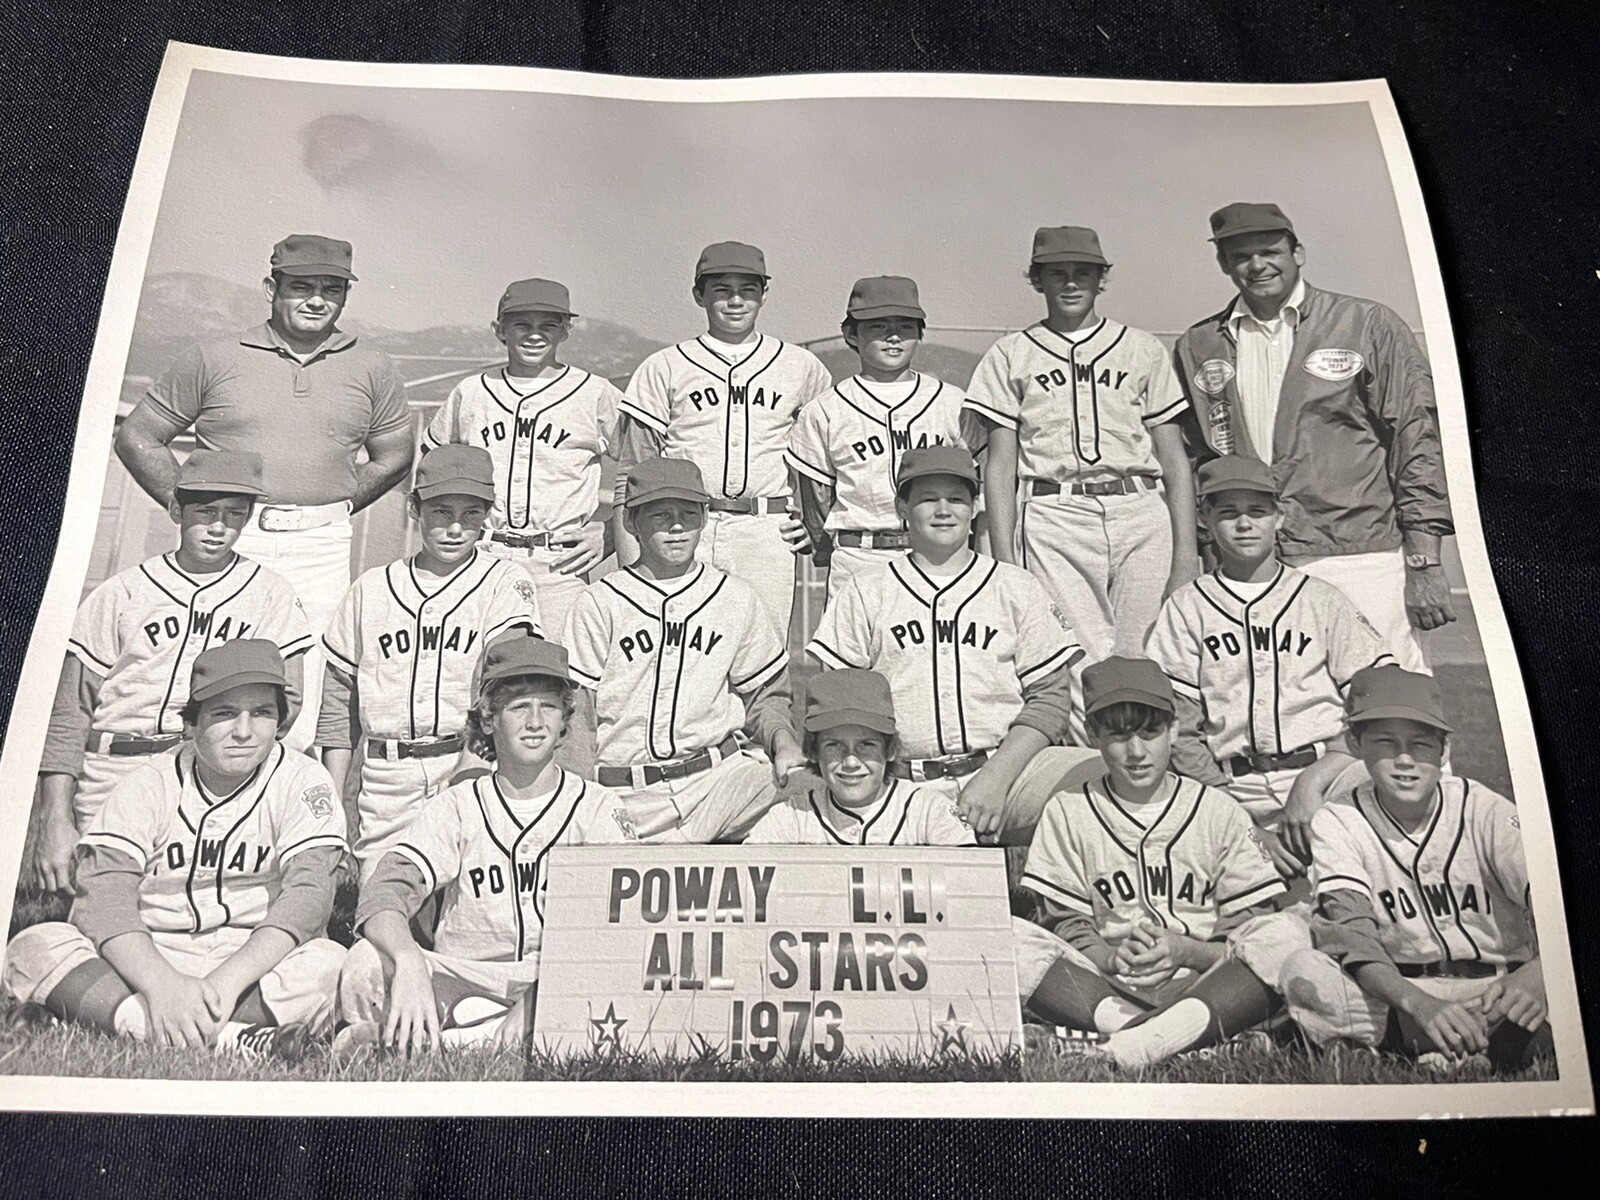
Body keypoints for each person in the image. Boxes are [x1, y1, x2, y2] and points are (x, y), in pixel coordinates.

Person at [114, 235, 415, 748]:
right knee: (208, 669)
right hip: (231, 536)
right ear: (271, 288)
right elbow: (138, 437)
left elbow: (394, 456)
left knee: (304, 685)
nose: (316, 300)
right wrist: (190, 506)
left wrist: (335, 503)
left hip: (320, 547)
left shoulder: (373, 366)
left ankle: (279, 793)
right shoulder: (212, 357)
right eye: (301, 287)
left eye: (332, 289)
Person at [2, 641, 347, 1063]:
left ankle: (123, 1020)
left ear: (279, 721)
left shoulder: (303, 780)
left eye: (261, 712)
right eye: (224, 713)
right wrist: (162, 985)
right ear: (191, 722)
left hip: (253, 961)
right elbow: (103, 899)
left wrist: (223, 984)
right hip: (151, 952)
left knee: (331, 964)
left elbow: (308, 901)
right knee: (33, 946)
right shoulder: (149, 782)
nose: (244, 731)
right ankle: (235, 1037)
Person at [1174, 202, 1456, 673]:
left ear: (1298, 253)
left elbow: (1417, 442)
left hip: (1360, 554)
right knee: (1283, 703)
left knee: (1388, 696)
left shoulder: (1366, 323)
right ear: (1224, 264)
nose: (1257, 265)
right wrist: (1211, 553)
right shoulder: (1199, 343)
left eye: (1270, 252)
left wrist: (1424, 562)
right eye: (1241, 256)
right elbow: (1199, 458)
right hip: (1255, 561)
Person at [334, 631, 629, 1059]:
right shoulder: (457, 805)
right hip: (467, 977)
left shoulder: (598, 807)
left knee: (613, 976)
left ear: (566, 717)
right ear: (489, 718)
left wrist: (540, 994)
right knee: (366, 962)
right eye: (519, 706)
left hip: (557, 976)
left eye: (548, 706)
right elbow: (384, 892)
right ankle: (497, 1034)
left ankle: (453, 1041)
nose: (535, 722)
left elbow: (621, 927)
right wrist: (409, 958)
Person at [31, 450, 312, 893]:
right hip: (113, 769)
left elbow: (286, 701)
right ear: (176, 510)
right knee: (102, 908)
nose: (219, 527)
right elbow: (70, 713)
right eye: (206, 511)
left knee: (189, 912)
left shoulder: (270, 594)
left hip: (207, 775)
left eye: (234, 514)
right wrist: (54, 818)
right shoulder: (122, 593)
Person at [1015, 656, 1304, 1069]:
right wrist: (1110, 957)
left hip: (1207, 985)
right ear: (1093, 734)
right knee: (1007, 937)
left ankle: (1130, 1044)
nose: (1136, 752)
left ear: (1173, 730)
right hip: (1107, 988)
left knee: (1288, 931)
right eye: (1118, 735)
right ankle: (1180, 1038)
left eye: (1150, 732)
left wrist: (1186, 952)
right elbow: (1066, 923)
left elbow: (1246, 927)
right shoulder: (1068, 809)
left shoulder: (1218, 809)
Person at [805, 445, 1100, 845]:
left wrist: (996, 778)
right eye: (928, 499)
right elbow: (840, 705)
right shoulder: (867, 591)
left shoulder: (1016, 587)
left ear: (975, 506)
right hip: (902, 785)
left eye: (957, 499)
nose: (944, 510)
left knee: (1102, 775)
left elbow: (1050, 701)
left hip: (1007, 773)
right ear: (902, 508)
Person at [1275, 666, 1549, 1070]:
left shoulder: (1483, 808)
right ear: (1356, 743)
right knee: (1304, 973)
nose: (1404, 760)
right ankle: (1489, 1048)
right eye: (1385, 742)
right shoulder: (1339, 819)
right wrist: (1418, 1003)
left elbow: (1555, 894)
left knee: (1567, 987)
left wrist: (1541, 972)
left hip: (1499, 987)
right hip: (1402, 993)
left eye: (1420, 744)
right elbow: (1351, 934)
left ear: (1443, 750)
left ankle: (1423, 1047)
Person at [1144, 454, 1394, 878]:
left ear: (1280, 517)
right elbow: (1179, 730)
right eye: (1228, 512)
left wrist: (1312, 781)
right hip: (1229, 786)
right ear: (1205, 519)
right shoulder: (1186, 608)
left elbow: (1382, 698)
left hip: (1324, 774)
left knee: (1381, 810)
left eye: (1258, 511)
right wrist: (1233, 817)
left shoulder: (1322, 599)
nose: (1244, 524)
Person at [964, 226, 1197, 662]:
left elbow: (1174, 459)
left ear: (1101, 279)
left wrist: (1186, 555)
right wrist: (1005, 560)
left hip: (1140, 510)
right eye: (1057, 273)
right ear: (1037, 280)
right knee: (1074, 656)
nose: (1070, 284)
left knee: (1146, 654)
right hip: (1055, 513)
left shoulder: (1142, 348)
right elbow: (1000, 466)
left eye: (1083, 273)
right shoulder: (1011, 353)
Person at [317, 445, 541, 880]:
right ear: (414, 508)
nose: (456, 528)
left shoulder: (505, 581)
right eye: (441, 512)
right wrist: (334, 805)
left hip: (470, 761)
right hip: (387, 778)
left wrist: (475, 761)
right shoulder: (371, 590)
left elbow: (505, 678)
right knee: (382, 898)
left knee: (468, 903)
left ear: (487, 515)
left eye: (471, 514)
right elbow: (338, 707)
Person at [563, 456, 805, 843]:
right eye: (660, 515)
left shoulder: (735, 597)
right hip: (623, 793)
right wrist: (575, 798)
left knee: (808, 795)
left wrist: (785, 743)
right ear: (631, 522)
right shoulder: (599, 602)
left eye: (689, 513)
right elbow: (577, 714)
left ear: (704, 518)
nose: (677, 526)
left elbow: (766, 696)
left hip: (716, 783)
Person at [613, 241, 833, 636]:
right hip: (685, 524)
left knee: (763, 649)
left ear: (764, 294)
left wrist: (815, 524)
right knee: (679, 644)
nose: (735, 301)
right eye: (721, 290)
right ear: (699, 295)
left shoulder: (801, 367)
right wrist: (632, 558)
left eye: (747, 290)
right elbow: (633, 471)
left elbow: (825, 458)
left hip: (766, 529)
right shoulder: (665, 366)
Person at [420, 277, 622, 642]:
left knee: (559, 666)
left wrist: (608, 533)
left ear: (566, 330)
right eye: (521, 324)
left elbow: (646, 469)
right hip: (482, 552)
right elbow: (431, 468)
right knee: (474, 663)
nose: (534, 335)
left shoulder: (595, 393)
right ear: (499, 329)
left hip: (559, 562)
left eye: (549, 325)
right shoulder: (472, 392)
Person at [785, 276, 975, 601]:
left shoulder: (953, 402)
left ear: (920, 332)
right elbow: (817, 498)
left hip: (939, 556)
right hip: (859, 556)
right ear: (851, 334)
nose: (893, 336)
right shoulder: (826, 408)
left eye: (905, 326)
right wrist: (824, 549)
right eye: (877, 326)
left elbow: (976, 485)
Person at [745, 668, 975, 846]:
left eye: (866, 745)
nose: (851, 762)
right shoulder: (793, 816)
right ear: (813, 752)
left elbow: (973, 887)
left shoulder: (928, 812)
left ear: (890, 750)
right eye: (834, 745)